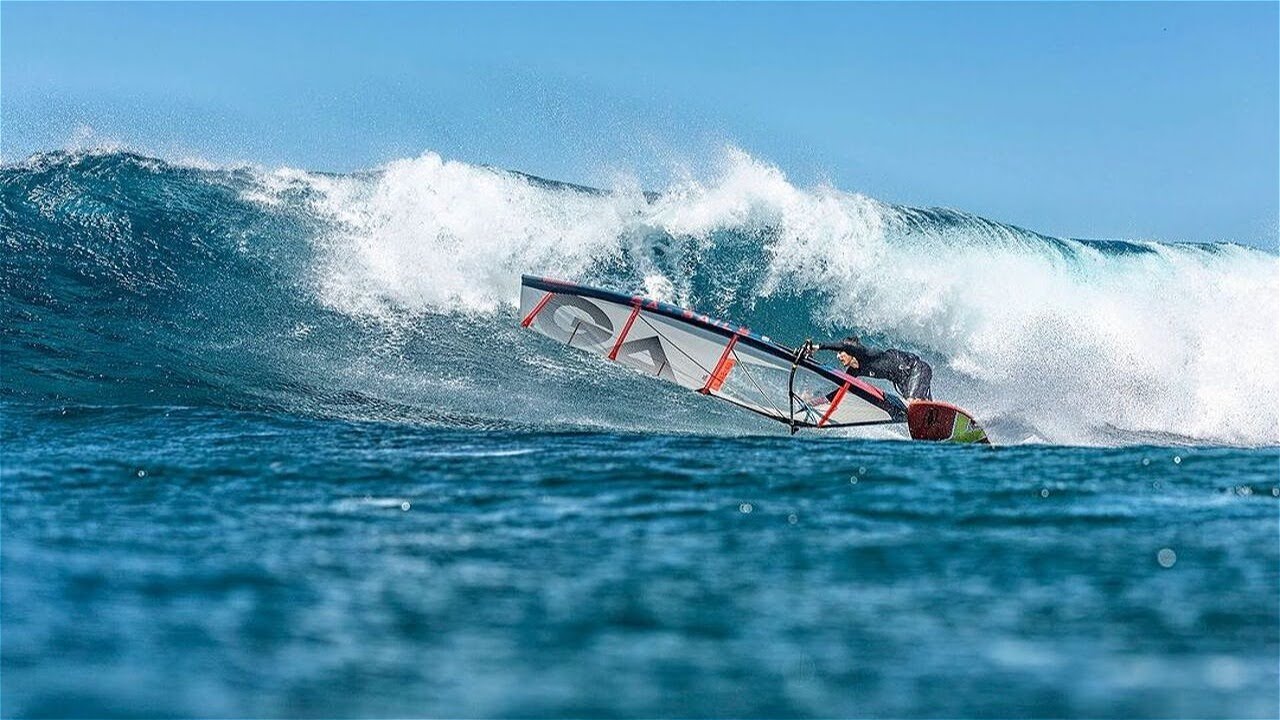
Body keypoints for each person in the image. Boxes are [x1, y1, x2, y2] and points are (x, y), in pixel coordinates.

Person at [815, 335, 933, 401]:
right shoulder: (854, 371)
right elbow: (841, 391)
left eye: (841, 352)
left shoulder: (866, 355)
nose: (838, 356)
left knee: (912, 402)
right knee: (915, 407)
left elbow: (845, 345)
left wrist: (819, 346)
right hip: (903, 382)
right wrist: (819, 402)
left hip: (916, 369)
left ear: (851, 351)